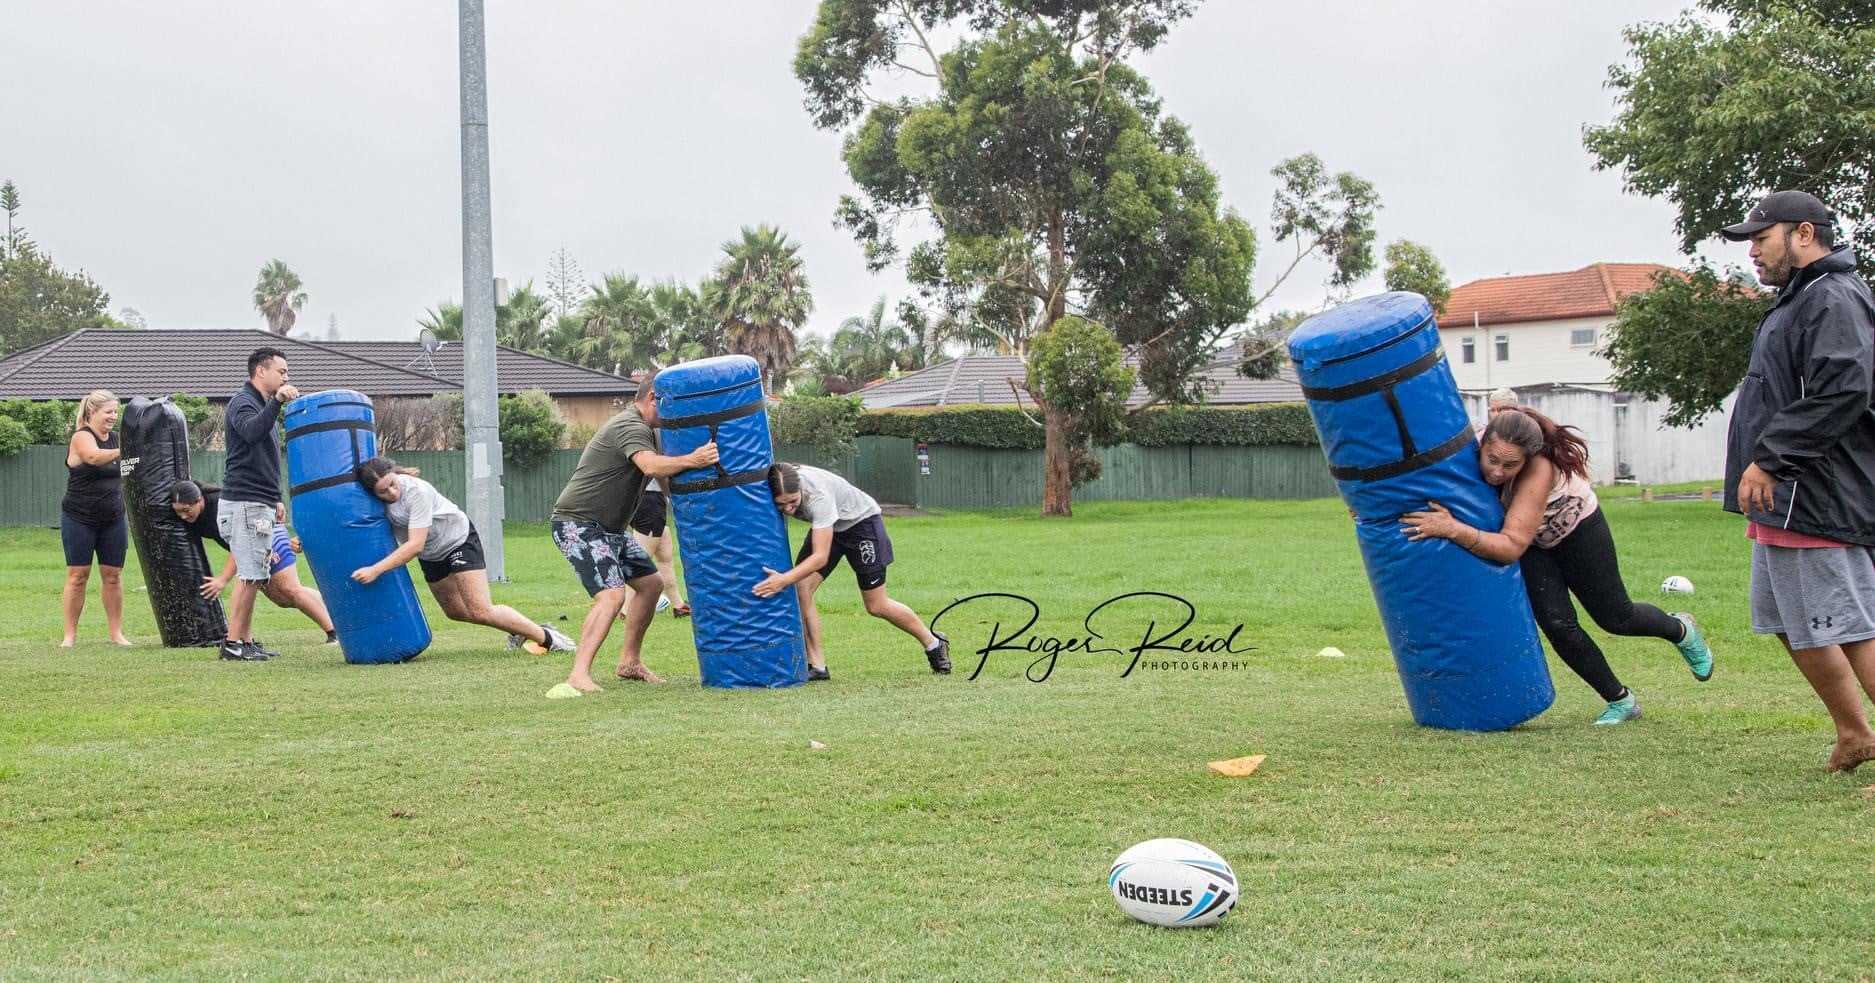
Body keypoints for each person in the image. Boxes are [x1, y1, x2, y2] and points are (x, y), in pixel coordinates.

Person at [1401, 407, 1714, 724]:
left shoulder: (1540, 468)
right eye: (1492, 459)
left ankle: (1680, 629)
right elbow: (1423, 473)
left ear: (1527, 458)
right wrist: (1376, 506)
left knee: (1616, 617)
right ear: (1483, 445)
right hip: (1534, 544)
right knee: (1557, 624)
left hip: (1577, 531)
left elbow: (1510, 546)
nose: (1496, 472)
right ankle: (1621, 701)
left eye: (1510, 465)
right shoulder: (1470, 445)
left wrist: (1454, 529)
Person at [1718, 189, 1875, 773]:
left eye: (1761, 239)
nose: (1753, 252)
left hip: (1819, 491)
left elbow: (1843, 390)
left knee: (1852, 627)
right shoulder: (1800, 297)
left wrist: (1773, 459)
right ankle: (1855, 734)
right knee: (1789, 622)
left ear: (1803, 234)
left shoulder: (1833, 295)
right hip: (1786, 499)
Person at [549, 379, 718, 694]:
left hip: (610, 530)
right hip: (578, 524)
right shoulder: (630, 425)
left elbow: (663, 478)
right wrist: (694, 459)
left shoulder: (652, 432)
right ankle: (578, 674)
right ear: (653, 398)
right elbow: (650, 466)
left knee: (651, 585)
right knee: (611, 595)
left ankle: (629, 662)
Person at [350, 457, 574, 654]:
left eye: (392, 484)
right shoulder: (375, 505)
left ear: (395, 473)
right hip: (432, 554)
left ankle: (550, 638)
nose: (392, 492)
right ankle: (519, 631)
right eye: (383, 491)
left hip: (458, 540)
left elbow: (415, 545)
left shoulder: (416, 491)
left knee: (480, 609)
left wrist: (375, 569)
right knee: (455, 612)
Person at [754, 462, 949, 682]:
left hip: (861, 524)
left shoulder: (818, 497)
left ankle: (934, 643)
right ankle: (817, 666)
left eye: (793, 502)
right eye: (781, 505)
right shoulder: (775, 478)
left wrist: (783, 580)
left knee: (876, 605)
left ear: (801, 490)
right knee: (802, 589)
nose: (789, 509)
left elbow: (820, 557)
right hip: (831, 528)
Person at [169, 480, 337, 645]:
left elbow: (239, 545)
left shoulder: (219, 508)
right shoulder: (195, 514)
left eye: (186, 510)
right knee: (282, 599)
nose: (183, 516)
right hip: (249, 546)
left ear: (199, 500)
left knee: (289, 589)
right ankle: (335, 606)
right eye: (178, 512)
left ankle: (334, 633)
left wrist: (223, 579)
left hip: (266, 534)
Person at [217, 347, 299, 662]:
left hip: (259, 501)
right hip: (243, 504)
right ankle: (233, 644)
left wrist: (274, 497)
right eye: (282, 371)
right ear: (260, 371)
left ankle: (245, 641)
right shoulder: (242, 403)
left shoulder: (261, 406)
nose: (286, 377)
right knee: (250, 575)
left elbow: (265, 459)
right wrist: (277, 401)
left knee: (257, 573)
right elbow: (251, 433)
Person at [59, 390, 131, 647]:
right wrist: (127, 449)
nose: (113, 417)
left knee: (113, 575)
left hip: (113, 517)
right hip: (79, 516)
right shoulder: (81, 437)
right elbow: (93, 457)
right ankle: (69, 636)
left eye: (116, 412)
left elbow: (131, 471)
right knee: (78, 575)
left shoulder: (116, 439)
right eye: (108, 411)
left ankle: (116, 634)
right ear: (92, 412)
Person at [628, 473, 689, 618]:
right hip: (650, 498)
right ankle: (625, 610)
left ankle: (679, 605)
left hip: (652, 498)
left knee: (665, 556)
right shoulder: (650, 451)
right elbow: (657, 469)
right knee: (639, 560)